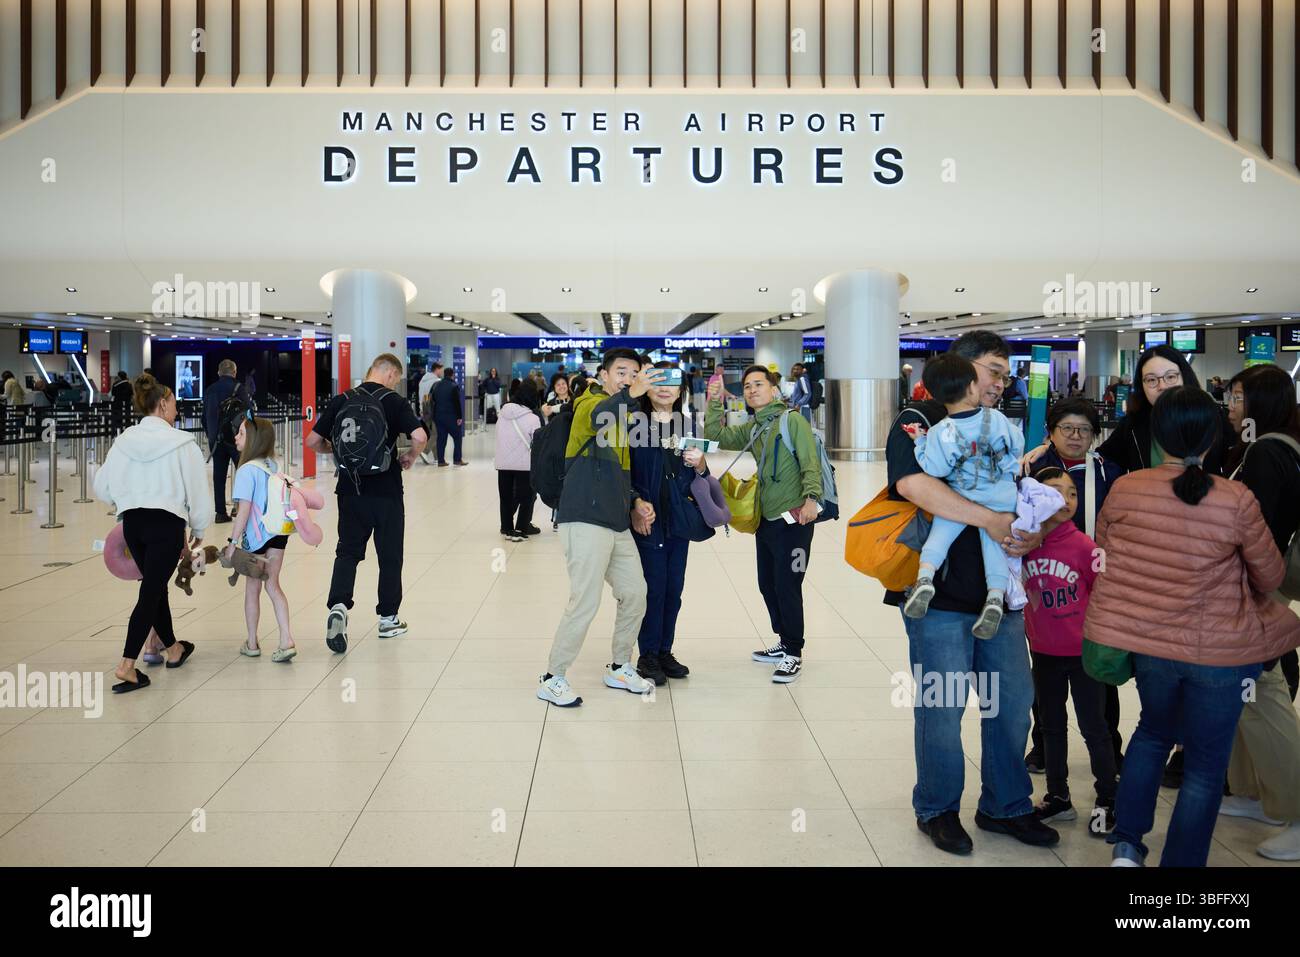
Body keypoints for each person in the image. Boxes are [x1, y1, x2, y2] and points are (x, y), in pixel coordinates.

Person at [1086, 386, 1300, 867]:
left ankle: (1126, 849)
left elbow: (1109, 557)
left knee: (1152, 734)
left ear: (1158, 434)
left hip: (1149, 645)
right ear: (1214, 437)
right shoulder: (1235, 498)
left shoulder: (1125, 489)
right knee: (1205, 764)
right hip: (1220, 655)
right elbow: (1271, 576)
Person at [884, 330, 1055, 855]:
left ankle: (1006, 805)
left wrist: (1030, 529)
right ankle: (937, 807)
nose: (1002, 383)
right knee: (942, 705)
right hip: (935, 597)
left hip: (999, 596)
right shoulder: (919, 422)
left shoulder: (1001, 424)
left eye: (1006, 374)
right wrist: (993, 520)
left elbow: (1018, 488)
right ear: (963, 368)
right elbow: (915, 486)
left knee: (1010, 703)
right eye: (993, 371)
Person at [537, 348, 664, 707]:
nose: (628, 378)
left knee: (636, 592)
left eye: (634, 373)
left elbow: (621, 470)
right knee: (585, 600)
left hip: (616, 521)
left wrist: (636, 500)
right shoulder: (589, 404)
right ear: (603, 375)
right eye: (622, 372)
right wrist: (631, 394)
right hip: (583, 518)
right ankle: (552, 677)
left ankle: (620, 665)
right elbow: (598, 418)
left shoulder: (624, 414)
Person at [1019, 397, 1126, 775]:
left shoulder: (1107, 471)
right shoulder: (1033, 470)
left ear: (1095, 436)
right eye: (1067, 429)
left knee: (1100, 672)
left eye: (1084, 430)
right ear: (1050, 433)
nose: (1076, 436)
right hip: (1046, 580)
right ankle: (1044, 747)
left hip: (1092, 578)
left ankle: (1110, 747)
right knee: (1044, 674)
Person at [1221, 364, 1300, 860]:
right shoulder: (1281, 446)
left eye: (1237, 397)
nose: (1230, 407)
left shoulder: (1266, 452)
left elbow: (1258, 535)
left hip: (1255, 592)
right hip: (1261, 590)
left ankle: (1294, 806)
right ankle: (1254, 793)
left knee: (1262, 692)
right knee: (1244, 695)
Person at [705, 364, 824, 684]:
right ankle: (783, 640)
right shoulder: (756, 425)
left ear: (774, 390)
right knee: (767, 583)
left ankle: (794, 652)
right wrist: (714, 401)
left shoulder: (791, 420)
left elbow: (809, 459)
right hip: (767, 518)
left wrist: (812, 498)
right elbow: (715, 436)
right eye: (746, 386)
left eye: (759, 384)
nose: (752, 390)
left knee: (788, 584)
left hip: (796, 518)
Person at [94, 373, 210, 692]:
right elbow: (198, 491)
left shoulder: (124, 440)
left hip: (133, 524)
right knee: (150, 593)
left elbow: (102, 485)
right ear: (162, 404)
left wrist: (126, 499)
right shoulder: (182, 443)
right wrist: (198, 527)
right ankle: (126, 665)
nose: (176, 407)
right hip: (166, 524)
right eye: (173, 402)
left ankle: (173, 649)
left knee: (155, 587)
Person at [307, 354, 428, 653]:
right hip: (386, 491)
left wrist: (334, 450)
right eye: (396, 379)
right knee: (389, 555)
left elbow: (311, 441)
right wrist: (411, 456)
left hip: (349, 490)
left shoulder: (342, 399)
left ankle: (338, 605)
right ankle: (388, 619)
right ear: (389, 372)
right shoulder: (394, 402)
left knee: (347, 552)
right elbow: (420, 436)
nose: (395, 383)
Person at [902, 353, 1025, 639]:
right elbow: (1016, 445)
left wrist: (920, 442)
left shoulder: (941, 431)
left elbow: (935, 466)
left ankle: (925, 578)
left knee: (939, 537)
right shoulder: (996, 418)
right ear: (972, 386)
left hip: (963, 497)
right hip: (1001, 498)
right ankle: (995, 596)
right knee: (995, 546)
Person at [1021, 467, 1116, 834]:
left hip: (1084, 655)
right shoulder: (1024, 543)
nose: (1065, 499)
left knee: (1095, 726)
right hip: (1043, 653)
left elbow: (1105, 596)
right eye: (1054, 491)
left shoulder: (1086, 548)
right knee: (1051, 726)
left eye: (1072, 493)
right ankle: (1058, 796)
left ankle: (1108, 797)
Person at [631, 361, 711, 685]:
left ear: (680, 390)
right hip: (648, 520)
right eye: (657, 381)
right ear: (646, 386)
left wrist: (702, 464)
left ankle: (665, 650)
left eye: (672, 382)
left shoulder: (689, 426)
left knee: (673, 590)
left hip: (679, 521)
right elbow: (623, 473)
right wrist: (634, 503)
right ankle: (647, 654)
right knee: (653, 589)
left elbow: (701, 477)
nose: (664, 388)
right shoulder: (632, 424)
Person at [226, 414, 297, 663]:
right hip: (278, 534)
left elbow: (243, 512)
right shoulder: (274, 466)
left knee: (252, 590)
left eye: (242, 433)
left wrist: (233, 544)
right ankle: (286, 639)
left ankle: (253, 642)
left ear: (254, 439)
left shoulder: (246, 470)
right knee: (274, 586)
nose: (236, 436)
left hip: (255, 539)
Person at [1095, 344, 1222, 474]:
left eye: (1171, 377)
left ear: (1185, 377)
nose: (1162, 386)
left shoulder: (1213, 418)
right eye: (1151, 380)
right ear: (1141, 386)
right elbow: (1105, 459)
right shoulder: (1133, 424)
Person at [495, 379, 542, 542]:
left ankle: (506, 527)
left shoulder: (502, 413)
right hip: (524, 463)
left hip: (503, 462)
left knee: (506, 497)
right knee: (526, 497)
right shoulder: (532, 418)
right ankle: (521, 528)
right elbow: (537, 442)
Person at [202, 359, 246, 524]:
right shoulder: (238, 388)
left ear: (219, 373)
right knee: (243, 474)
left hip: (216, 440)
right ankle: (240, 508)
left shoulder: (210, 390)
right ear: (234, 372)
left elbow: (203, 418)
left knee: (219, 476)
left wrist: (212, 435)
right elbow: (248, 413)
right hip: (236, 439)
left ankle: (220, 512)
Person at [430, 366, 467, 466]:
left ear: (444, 374)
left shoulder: (436, 385)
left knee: (441, 439)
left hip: (438, 416)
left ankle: (441, 461)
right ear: (452, 375)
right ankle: (457, 459)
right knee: (457, 438)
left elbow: (432, 399)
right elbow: (456, 403)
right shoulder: (454, 386)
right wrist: (459, 417)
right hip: (451, 417)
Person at [418, 361, 444, 464]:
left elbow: (423, 397)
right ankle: (424, 451)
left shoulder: (423, 380)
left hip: (424, 408)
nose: (442, 372)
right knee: (436, 433)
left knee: (433, 432)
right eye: (441, 369)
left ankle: (437, 458)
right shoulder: (437, 381)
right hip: (432, 409)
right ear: (437, 369)